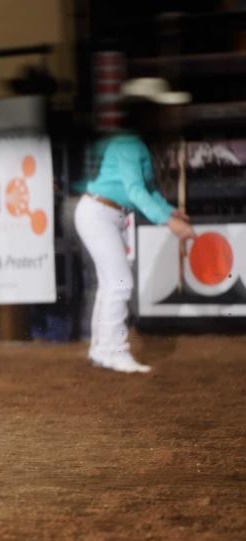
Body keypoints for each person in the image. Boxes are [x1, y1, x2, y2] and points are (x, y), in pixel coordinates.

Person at [77, 77, 196, 373]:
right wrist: (168, 220)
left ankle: (102, 349)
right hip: (100, 213)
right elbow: (136, 191)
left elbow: (148, 189)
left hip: (105, 213)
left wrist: (170, 212)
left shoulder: (134, 142)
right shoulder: (128, 143)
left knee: (111, 283)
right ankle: (113, 350)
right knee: (119, 282)